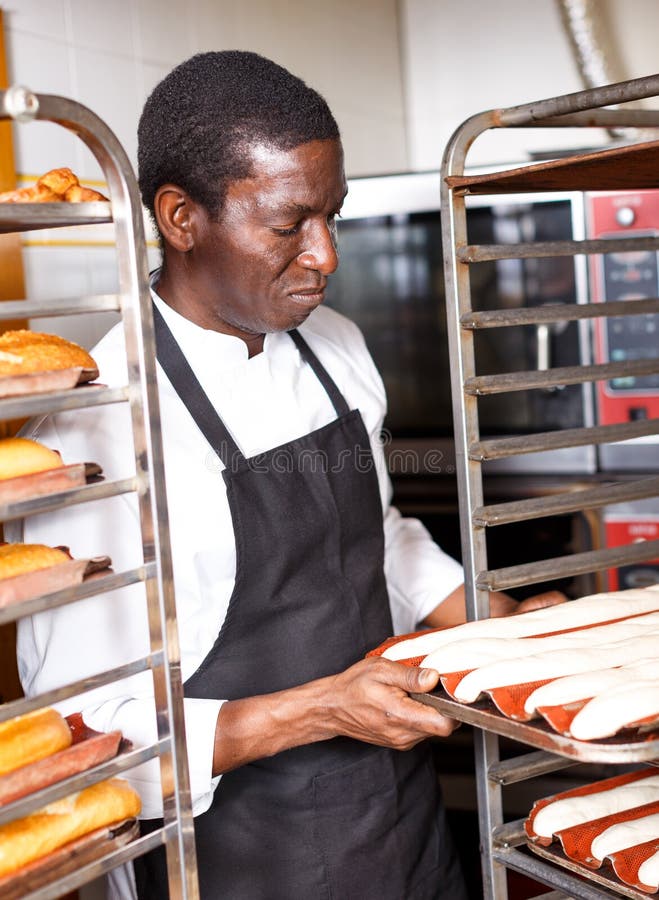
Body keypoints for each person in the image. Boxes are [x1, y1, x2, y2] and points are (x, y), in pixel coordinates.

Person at [17, 51, 563, 900]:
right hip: (232, 856)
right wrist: (319, 710)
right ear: (179, 217)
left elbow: (378, 540)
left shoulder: (333, 344)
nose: (326, 256)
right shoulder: (99, 432)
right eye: (288, 225)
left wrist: (508, 631)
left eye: (333, 217)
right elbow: (83, 728)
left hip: (394, 819)